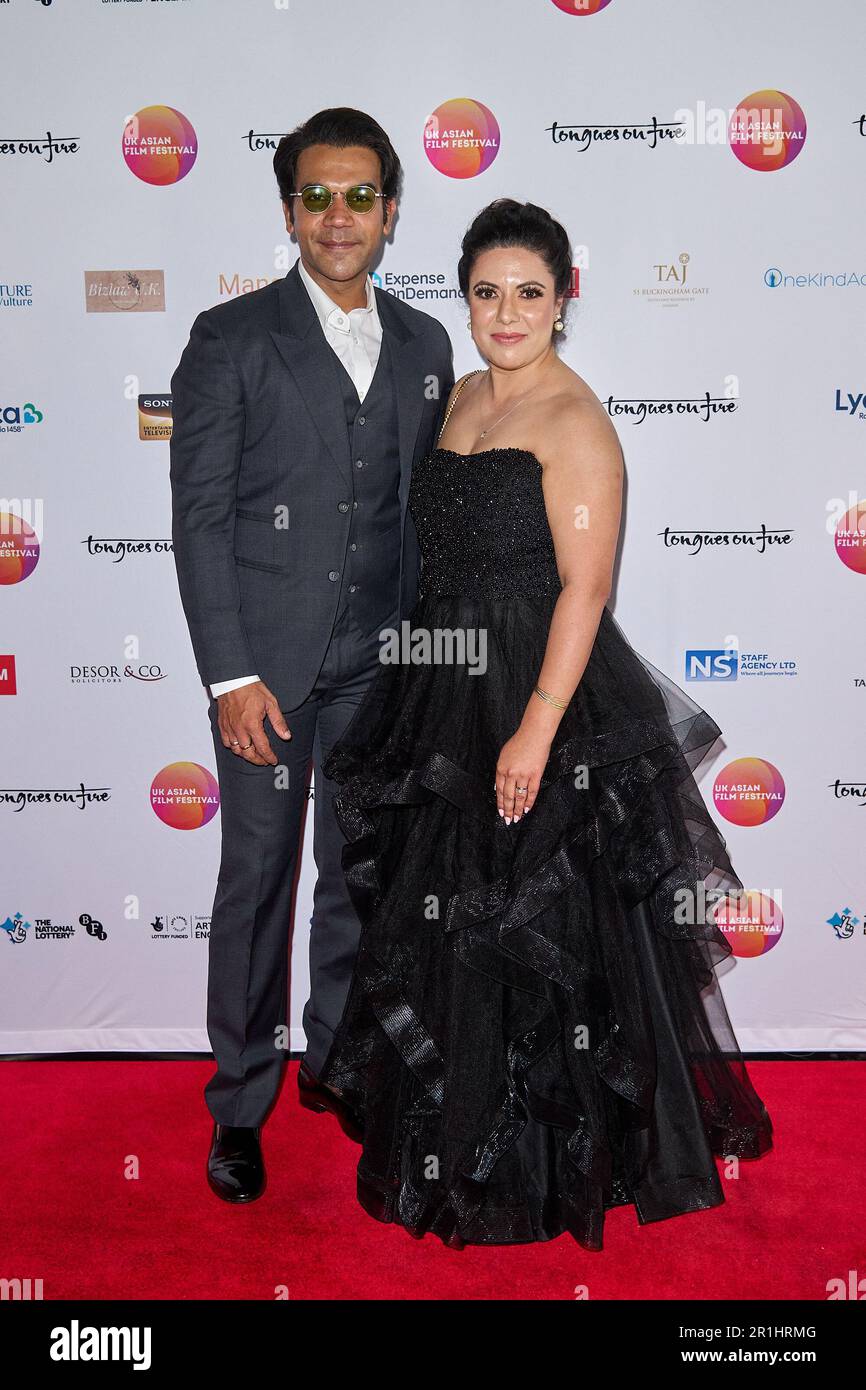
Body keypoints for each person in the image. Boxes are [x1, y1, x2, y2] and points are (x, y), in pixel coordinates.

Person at [318, 198, 773, 1250]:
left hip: (537, 684)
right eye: (486, 292)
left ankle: (531, 1161)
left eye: (528, 292)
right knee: (442, 914)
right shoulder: (461, 395)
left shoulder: (575, 423)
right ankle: (453, 1136)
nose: (506, 311)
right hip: (442, 675)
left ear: (563, 299)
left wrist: (531, 732)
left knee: (535, 925)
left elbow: (583, 589)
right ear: (465, 300)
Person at [169, 107, 454, 1203]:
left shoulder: (428, 345)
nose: (339, 217)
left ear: (389, 212)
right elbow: (200, 520)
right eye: (317, 197)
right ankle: (240, 1101)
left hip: (378, 671)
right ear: (290, 210)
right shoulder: (227, 340)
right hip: (267, 678)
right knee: (255, 884)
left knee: (357, 880)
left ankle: (335, 1062)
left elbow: (424, 512)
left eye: (360, 196)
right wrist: (229, 675)